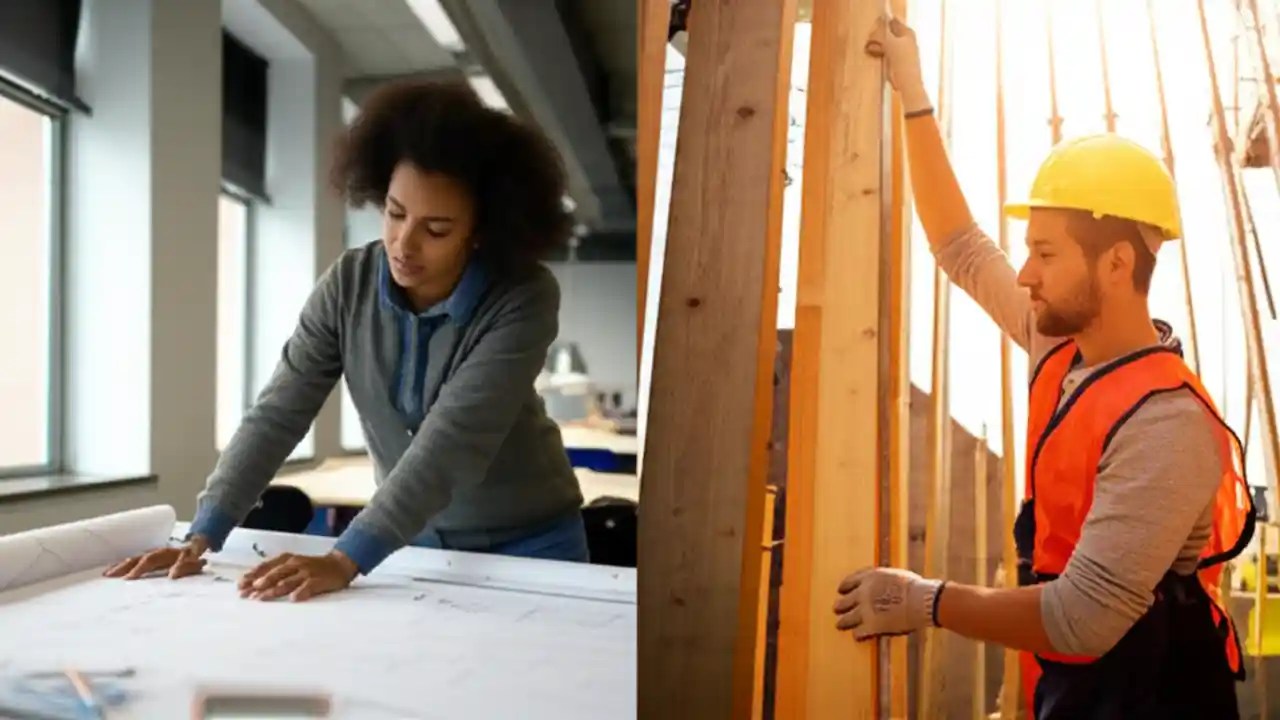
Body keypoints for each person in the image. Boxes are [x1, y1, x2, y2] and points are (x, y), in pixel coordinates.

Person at [833, 16, 1256, 719]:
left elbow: (1081, 618)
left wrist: (921, 601)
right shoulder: (1059, 345)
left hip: (1149, 694)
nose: (1024, 272)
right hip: (1080, 684)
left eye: (1047, 253)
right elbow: (960, 247)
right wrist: (913, 92)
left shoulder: (1167, 424)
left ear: (1117, 264)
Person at [104, 79, 588, 601]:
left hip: (530, 546)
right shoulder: (349, 284)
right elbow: (278, 412)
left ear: (481, 230)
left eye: (437, 229)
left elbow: (452, 443)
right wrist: (202, 535)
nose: (404, 244)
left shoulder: (523, 296)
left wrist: (344, 558)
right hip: (410, 546)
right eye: (396, 213)